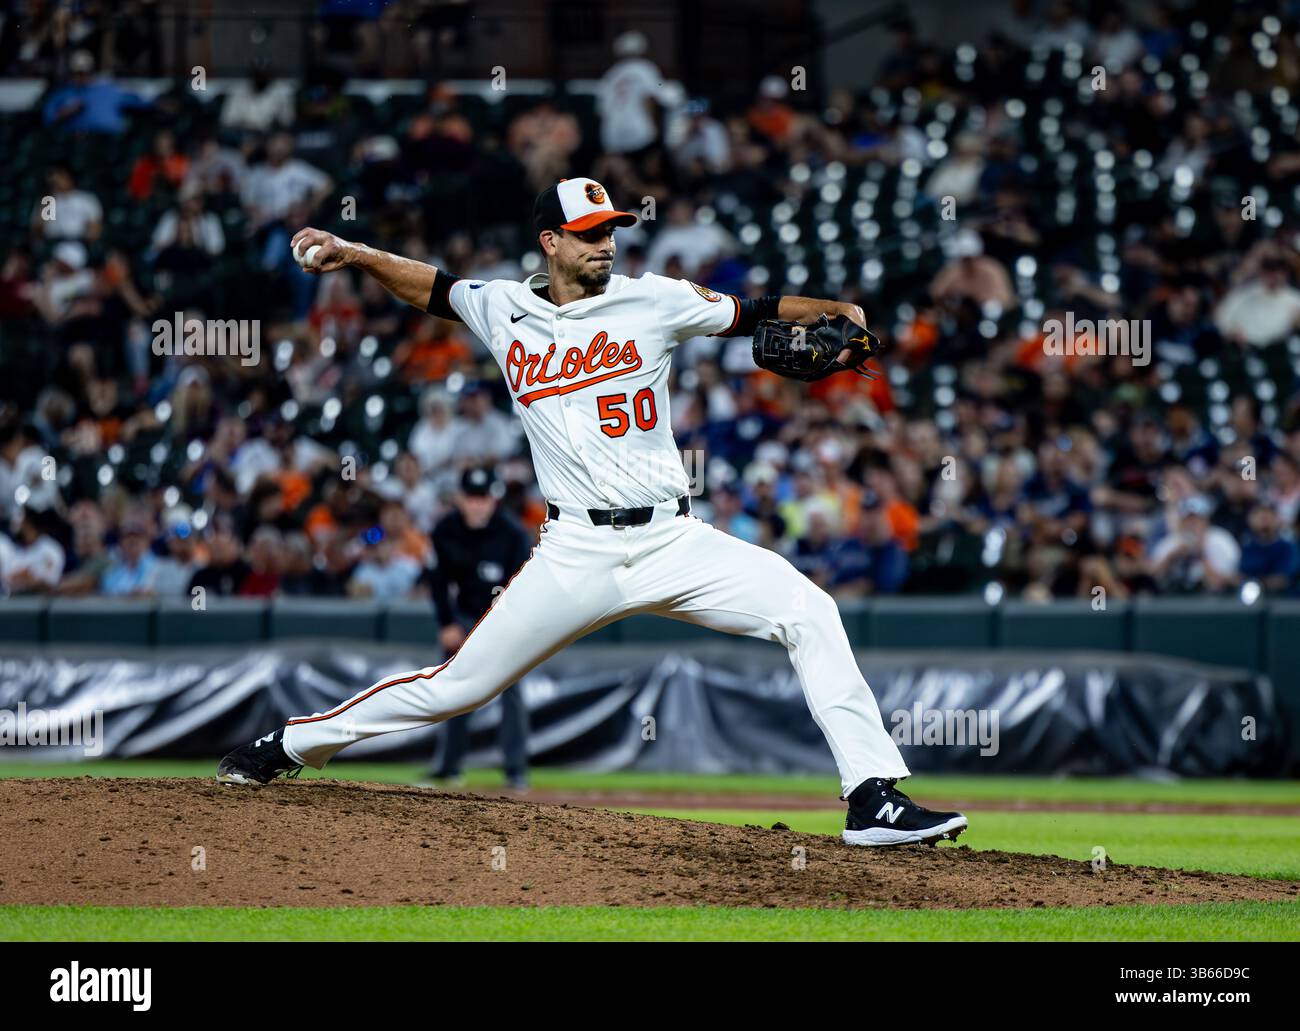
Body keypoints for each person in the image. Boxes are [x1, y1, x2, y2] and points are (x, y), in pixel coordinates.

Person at [218, 175, 968, 849]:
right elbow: (432, 287)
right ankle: (290, 745)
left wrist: (834, 309)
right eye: (590, 233)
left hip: (674, 537)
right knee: (459, 687)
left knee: (810, 609)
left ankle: (871, 796)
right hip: (576, 548)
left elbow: (760, 312)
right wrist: (354, 252)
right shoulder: (501, 306)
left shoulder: (656, 298)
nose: (607, 242)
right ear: (551, 242)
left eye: (611, 229)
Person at [427, 466, 533, 790]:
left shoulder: (513, 534)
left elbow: (522, 587)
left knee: (511, 691)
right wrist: (446, 622)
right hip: (463, 616)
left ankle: (515, 770)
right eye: (471, 498)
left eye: (483, 498)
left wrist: (508, 630)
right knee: (454, 688)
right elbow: (438, 581)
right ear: (460, 499)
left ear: (494, 499)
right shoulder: (444, 530)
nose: (477, 505)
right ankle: (449, 767)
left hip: (503, 617)